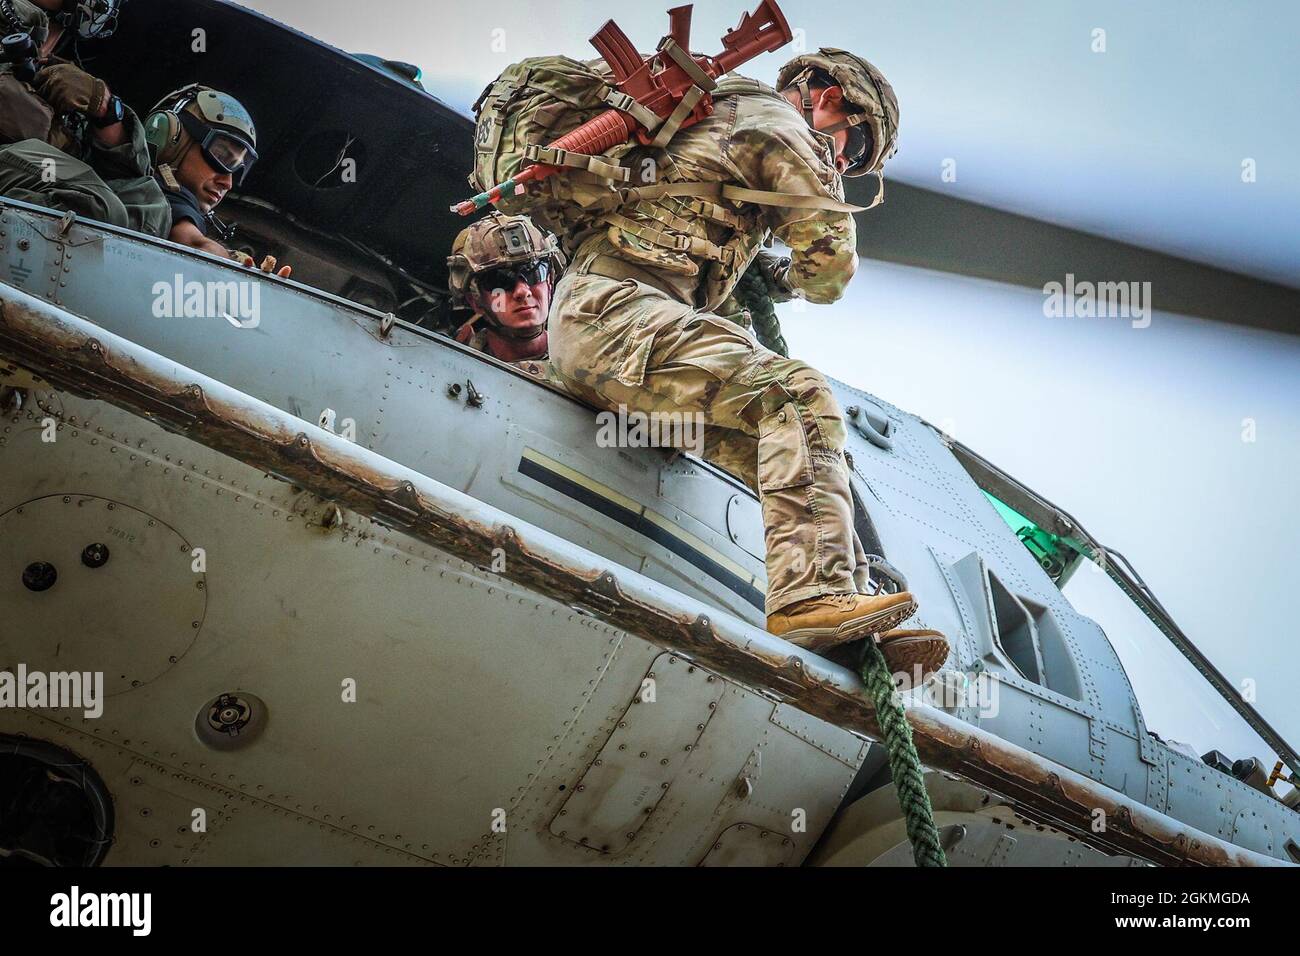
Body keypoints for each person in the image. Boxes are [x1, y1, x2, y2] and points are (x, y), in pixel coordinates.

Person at [544, 48, 949, 678]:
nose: (841, 162)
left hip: (613, 328)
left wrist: (755, 264)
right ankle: (811, 598)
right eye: (852, 146)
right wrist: (792, 274)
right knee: (796, 396)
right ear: (828, 97)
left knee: (780, 453)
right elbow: (830, 269)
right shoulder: (772, 119)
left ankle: (847, 612)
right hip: (614, 314)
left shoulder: (726, 133)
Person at [0, 0, 169, 236]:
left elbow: (135, 187)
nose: (46, 41)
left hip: (36, 174)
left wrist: (105, 111)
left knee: (149, 209)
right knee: (97, 207)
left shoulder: (56, 82)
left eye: (58, 26)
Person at [143, 84, 289, 276]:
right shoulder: (147, 194)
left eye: (235, 167)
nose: (227, 183)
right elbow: (195, 244)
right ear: (172, 137)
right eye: (220, 156)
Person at [446, 212, 565, 363]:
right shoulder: (455, 364)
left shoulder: (588, 355)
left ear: (549, 283)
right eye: (500, 280)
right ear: (476, 301)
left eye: (535, 273)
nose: (523, 292)